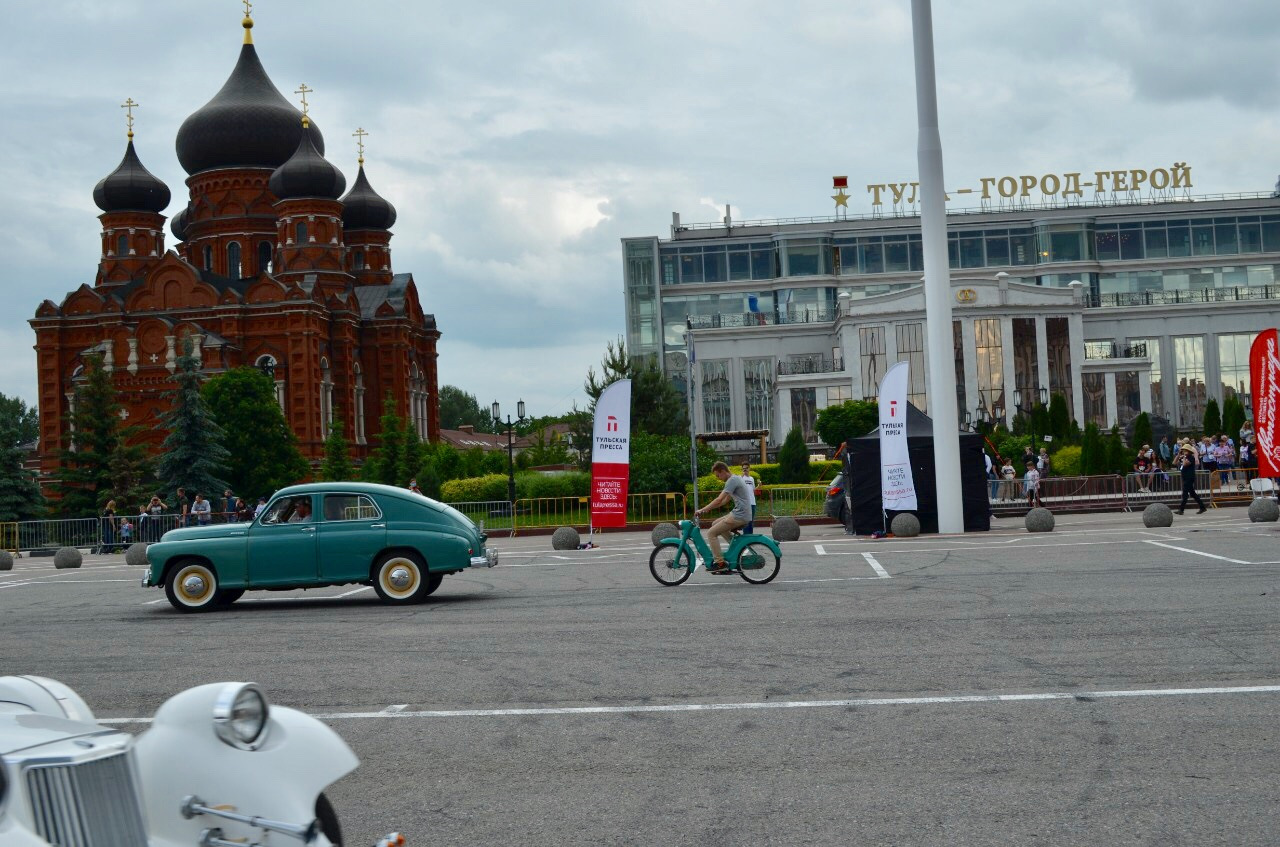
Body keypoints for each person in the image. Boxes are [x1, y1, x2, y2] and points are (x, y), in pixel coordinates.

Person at [692, 461, 751, 574]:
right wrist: (707, 509)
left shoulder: (731, 481)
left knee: (711, 533)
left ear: (723, 471)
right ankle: (736, 546)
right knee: (715, 524)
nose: (718, 478)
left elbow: (719, 499)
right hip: (740, 513)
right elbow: (724, 501)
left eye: (718, 475)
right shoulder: (735, 479)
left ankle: (720, 563)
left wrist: (702, 509)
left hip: (740, 515)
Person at [1175, 445, 1207, 514]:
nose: (1184, 451)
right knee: (1192, 494)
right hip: (1185, 477)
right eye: (1183, 450)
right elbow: (1174, 463)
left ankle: (1181, 509)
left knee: (1185, 494)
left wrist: (1183, 457)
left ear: (1189, 451)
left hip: (1189, 477)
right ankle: (1202, 507)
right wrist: (1178, 455)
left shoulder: (1191, 458)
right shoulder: (1185, 457)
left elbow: (1185, 464)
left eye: (1185, 450)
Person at [739, 461, 757, 533]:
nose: (745, 470)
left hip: (752, 502)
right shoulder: (740, 478)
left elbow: (753, 489)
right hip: (745, 503)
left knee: (751, 521)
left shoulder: (752, 478)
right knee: (746, 521)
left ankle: (750, 537)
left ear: (749, 468)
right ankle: (746, 537)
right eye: (743, 468)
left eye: (746, 468)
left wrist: (759, 486)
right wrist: (742, 475)